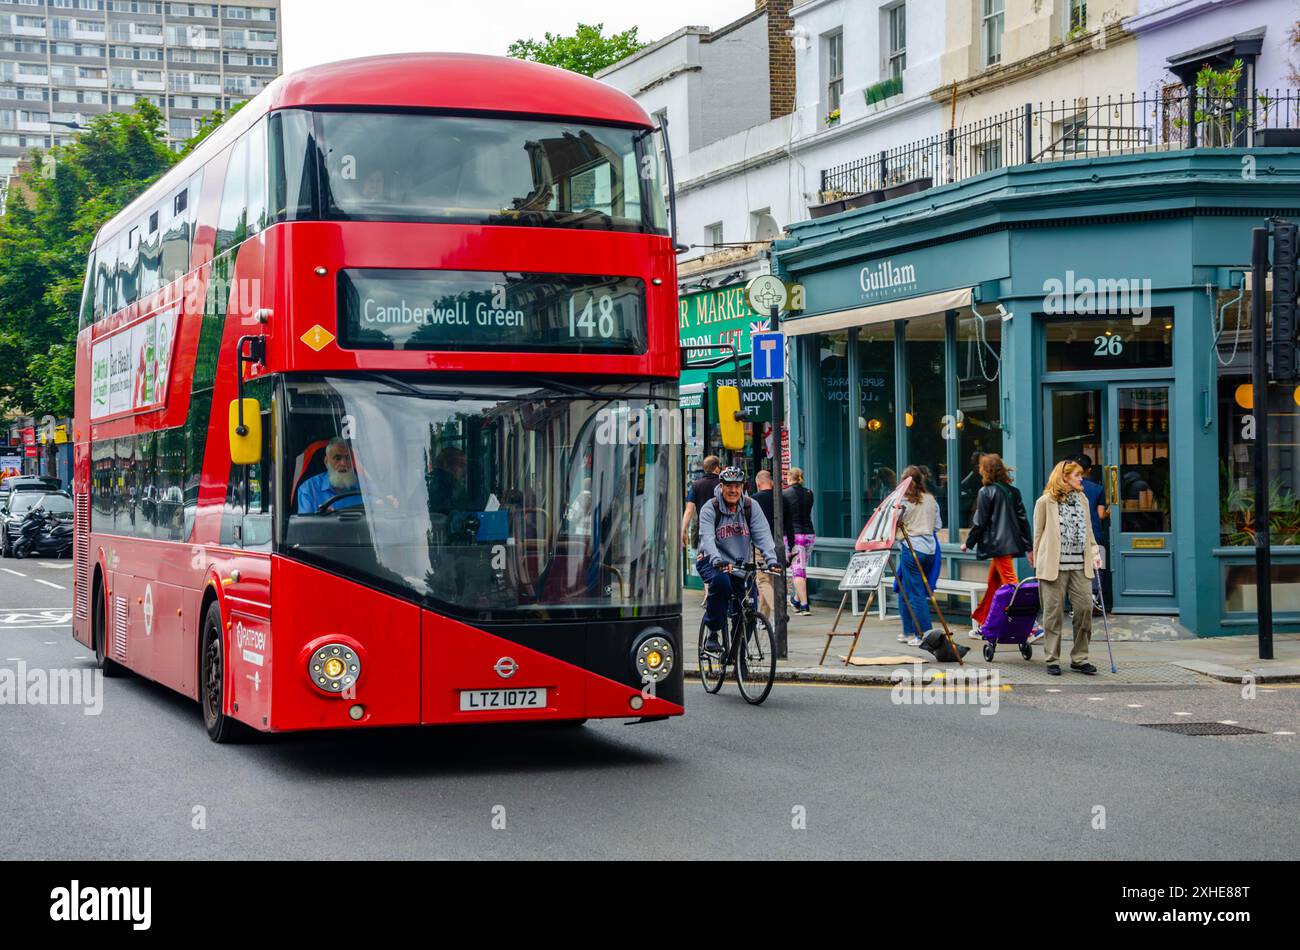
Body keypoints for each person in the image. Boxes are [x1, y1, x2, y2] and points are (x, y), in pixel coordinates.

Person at [697, 467, 780, 654]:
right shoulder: (711, 508)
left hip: (739, 565)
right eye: (728, 486)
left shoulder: (751, 506)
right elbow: (707, 539)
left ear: (743, 487)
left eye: (737, 486)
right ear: (721, 486)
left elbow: (763, 535)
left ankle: (739, 656)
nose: (733, 490)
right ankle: (713, 631)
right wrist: (717, 559)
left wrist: (771, 559)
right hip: (711, 560)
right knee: (721, 583)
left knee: (748, 610)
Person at [1033, 460, 1103, 676]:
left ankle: (1079, 658)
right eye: (1077, 475)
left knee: (1084, 609)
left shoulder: (1082, 499)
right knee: (1053, 613)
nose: (1081, 478)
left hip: (1080, 566)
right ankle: (1052, 658)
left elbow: (1089, 530)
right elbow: (1038, 534)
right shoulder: (1045, 501)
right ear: (1064, 477)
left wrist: (1095, 552)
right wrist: (1038, 561)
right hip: (1054, 566)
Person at [961, 453, 1034, 639]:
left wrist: (968, 543)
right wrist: (1029, 547)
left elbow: (980, 522)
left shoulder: (986, 492)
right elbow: (1023, 520)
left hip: (997, 546)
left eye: (980, 467)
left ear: (986, 471)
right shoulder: (1012, 491)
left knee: (1012, 586)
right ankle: (984, 623)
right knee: (994, 585)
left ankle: (1032, 628)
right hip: (1008, 546)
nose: (978, 470)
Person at [894, 465, 942, 646]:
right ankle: (907, 631)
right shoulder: (931, 499)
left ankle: (924, 635)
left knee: (915, 594)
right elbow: (937, 526)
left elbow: (893, 524)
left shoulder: (904, 503)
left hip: (911, 548)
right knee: (905, 588)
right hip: (929, 549)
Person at [751, 469, 793, 620]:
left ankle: (779, 611)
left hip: (761, 545)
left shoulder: (753, 500)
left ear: (758, 483)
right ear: (772, 482)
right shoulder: (783, 498)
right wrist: (792, 545)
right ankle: (762, 619)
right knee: (773, 579)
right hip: (779, 543)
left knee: (762, 580)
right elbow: (789, 524)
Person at [1072, 453, 1110, 604]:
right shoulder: (1098, 488)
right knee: (1097, 566)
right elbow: (1101, 514)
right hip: (1094, 532)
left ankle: (1077, 601)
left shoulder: (1069, 488)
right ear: (1089, 470)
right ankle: (1094, 598)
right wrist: (1111, 510)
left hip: (1074, 534)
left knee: (1077, 568)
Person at [297, 437, 365, 514]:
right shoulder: (309, 489)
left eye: (347, 457)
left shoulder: (364, 485)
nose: (344, 463)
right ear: (326, 461)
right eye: (337, 458)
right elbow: (305, 525)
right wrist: (321, 520)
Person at [783, 467, 816, 615]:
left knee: (797, 570)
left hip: (794, 536)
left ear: (790, 478)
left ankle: (804, 605)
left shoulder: (785, 494)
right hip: (809, 534)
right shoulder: (809, 493)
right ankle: (796, 600)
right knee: (801, 567)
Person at [681, 456, 722, 550]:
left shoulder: (696, 485)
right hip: (722, 530)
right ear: (716, 468)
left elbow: (689, 510)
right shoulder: (722, 484)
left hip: (703, 530)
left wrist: (683, 530)